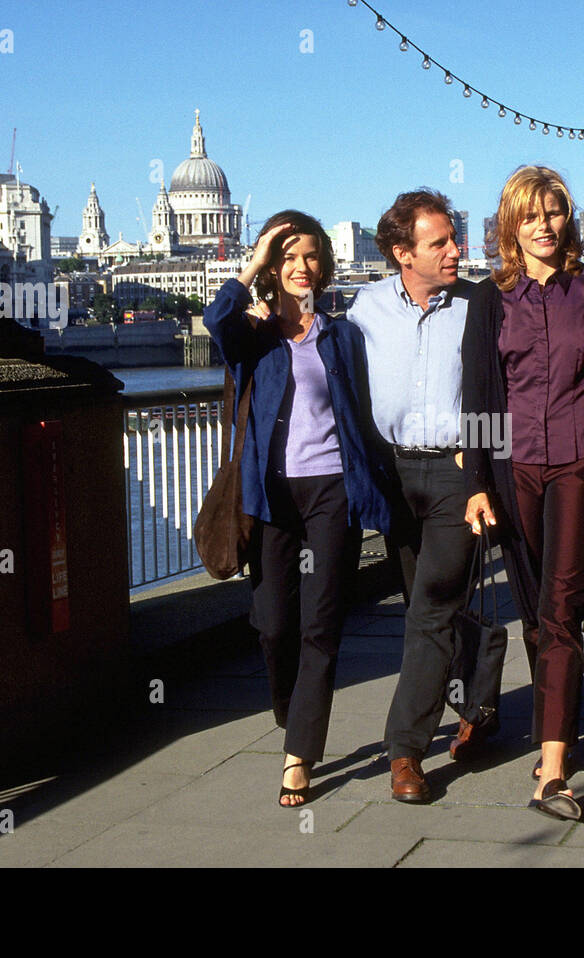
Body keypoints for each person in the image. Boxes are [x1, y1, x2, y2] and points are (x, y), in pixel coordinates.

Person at [463, 165, 584, 821]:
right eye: (529, 215)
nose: (543, 225)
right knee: (536, 611)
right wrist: (477, 482)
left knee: (561, 609)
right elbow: (477, 395)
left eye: (554, 212)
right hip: (514, 474)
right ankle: (557, 724)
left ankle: (554, 772)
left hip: (579, 469)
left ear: (570, 219)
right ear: (510, 223)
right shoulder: (489, 298)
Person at [204, 211, 393, 807]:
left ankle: (298, 754)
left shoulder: (341, 337)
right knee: (273, 625)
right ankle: (294, 714)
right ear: (271, 266)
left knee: (320, 623)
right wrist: (253, 262)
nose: (300, 267)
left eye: (310, 256)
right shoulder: (252, 337)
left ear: (325, 265)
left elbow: (363, 413)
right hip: (270, 496)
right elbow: (215, 320)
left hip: (331, 491)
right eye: (288, 257)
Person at [346, 189, 479, 804]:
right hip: (395, 476)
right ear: (403, 253)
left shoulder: (479, 306)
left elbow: (501, 390)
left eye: (454, 238)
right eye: (441, 243)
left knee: (431, 606)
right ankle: (482, 695)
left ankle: (404, 752)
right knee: (430, 606)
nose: (457, 250)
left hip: (455, 475)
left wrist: (478, 460)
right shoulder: (364, 310)